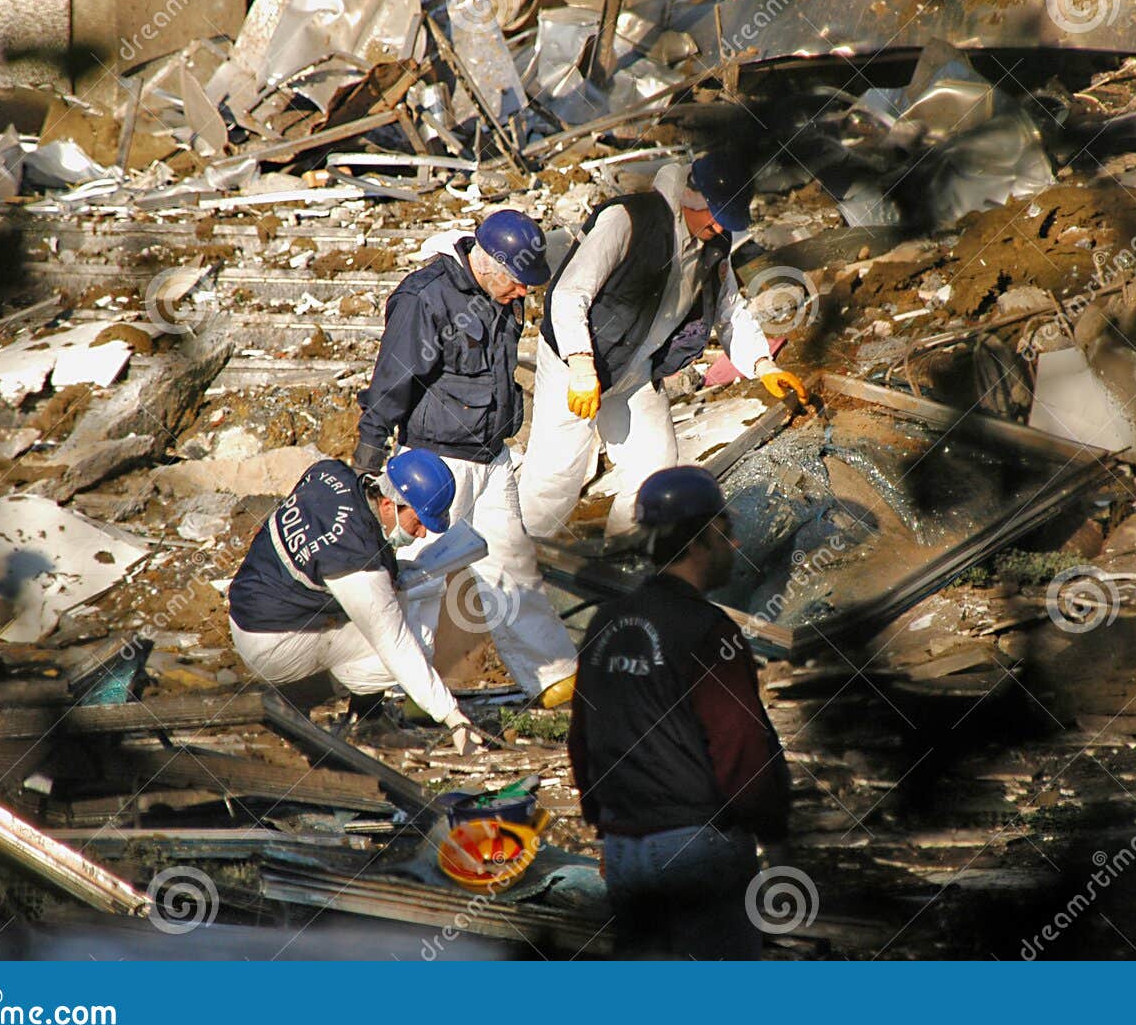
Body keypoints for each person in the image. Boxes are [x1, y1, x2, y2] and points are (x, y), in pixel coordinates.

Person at [519, 152, 810, 540]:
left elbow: (729, 311)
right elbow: (570, 293)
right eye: (715, 213)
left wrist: (762, 364)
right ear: (690, 195)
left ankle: (624, 553)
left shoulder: (714, 244)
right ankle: (517, 566)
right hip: (575, 365)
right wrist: (581, 364)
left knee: (655, 464)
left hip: (638, 368)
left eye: (728, 217)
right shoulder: (628, 221)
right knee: (555, 478)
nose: (721, 225)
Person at [352, 209, 577, 707]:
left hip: (493, 459)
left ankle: (554, 678)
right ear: (490, 263)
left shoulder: (503, 292)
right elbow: (391, 381)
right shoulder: (425, 297)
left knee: (512, 563)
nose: (523, 295)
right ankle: (382, 694)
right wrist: (367, 456)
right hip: (433, 464)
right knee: (415, 582)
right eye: (518, 284)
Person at [567, 465, 791, 959]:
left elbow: (582, 734)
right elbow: (741, 747)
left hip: (626, 847)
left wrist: (603, 816)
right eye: (726, 533)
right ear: (703, 537)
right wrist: (773, 832)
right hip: (698, 847)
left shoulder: (606, 620)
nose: (733, 545)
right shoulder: (708, 631)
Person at [228, 450, 481, 754]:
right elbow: (397, 646)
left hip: (251, 605)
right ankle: (298, 700)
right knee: (416, 642)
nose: (422, 532)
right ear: (388, 504)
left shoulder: (330, 473)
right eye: (416, 522)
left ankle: (354, 712)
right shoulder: (356, 563)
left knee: (394, 599)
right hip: (273, 643)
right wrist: (452, 717)